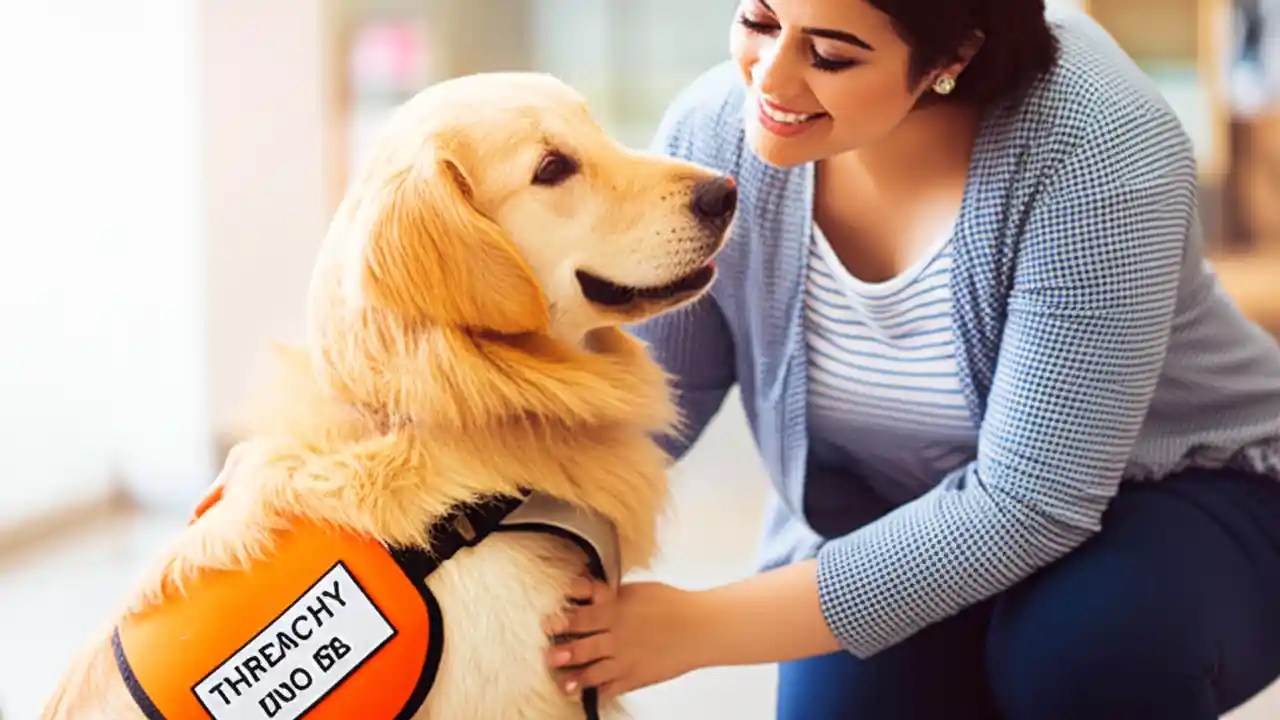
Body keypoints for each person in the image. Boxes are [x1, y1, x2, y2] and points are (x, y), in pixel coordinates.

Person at [542, 1, 1280, 718]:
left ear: (953, 56)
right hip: (906, 513)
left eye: (829, 54)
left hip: (1191, 490)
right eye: (760, 20)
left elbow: (1031, 505)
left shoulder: (1100, 143)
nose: (769, 79)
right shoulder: (719, 130)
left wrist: (696, 629)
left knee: (1085, 646)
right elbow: (644, 414)